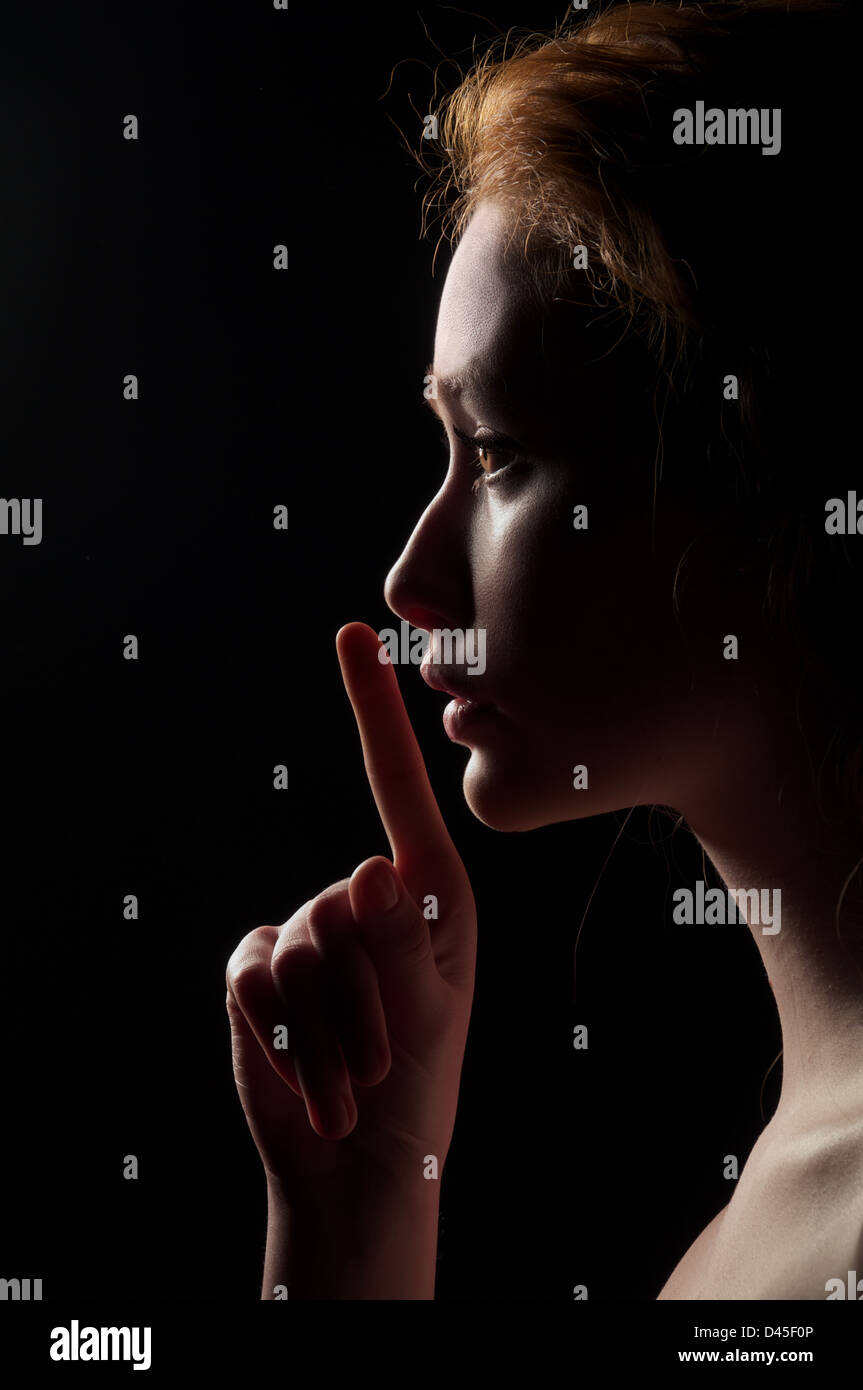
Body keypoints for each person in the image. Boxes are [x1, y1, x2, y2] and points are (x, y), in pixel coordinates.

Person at [226, 0, 863, 1299]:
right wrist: (360, 1216)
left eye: (501, 454)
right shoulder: (793, 1189)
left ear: (775, 471)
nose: (409, 580)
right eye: (444, 449)